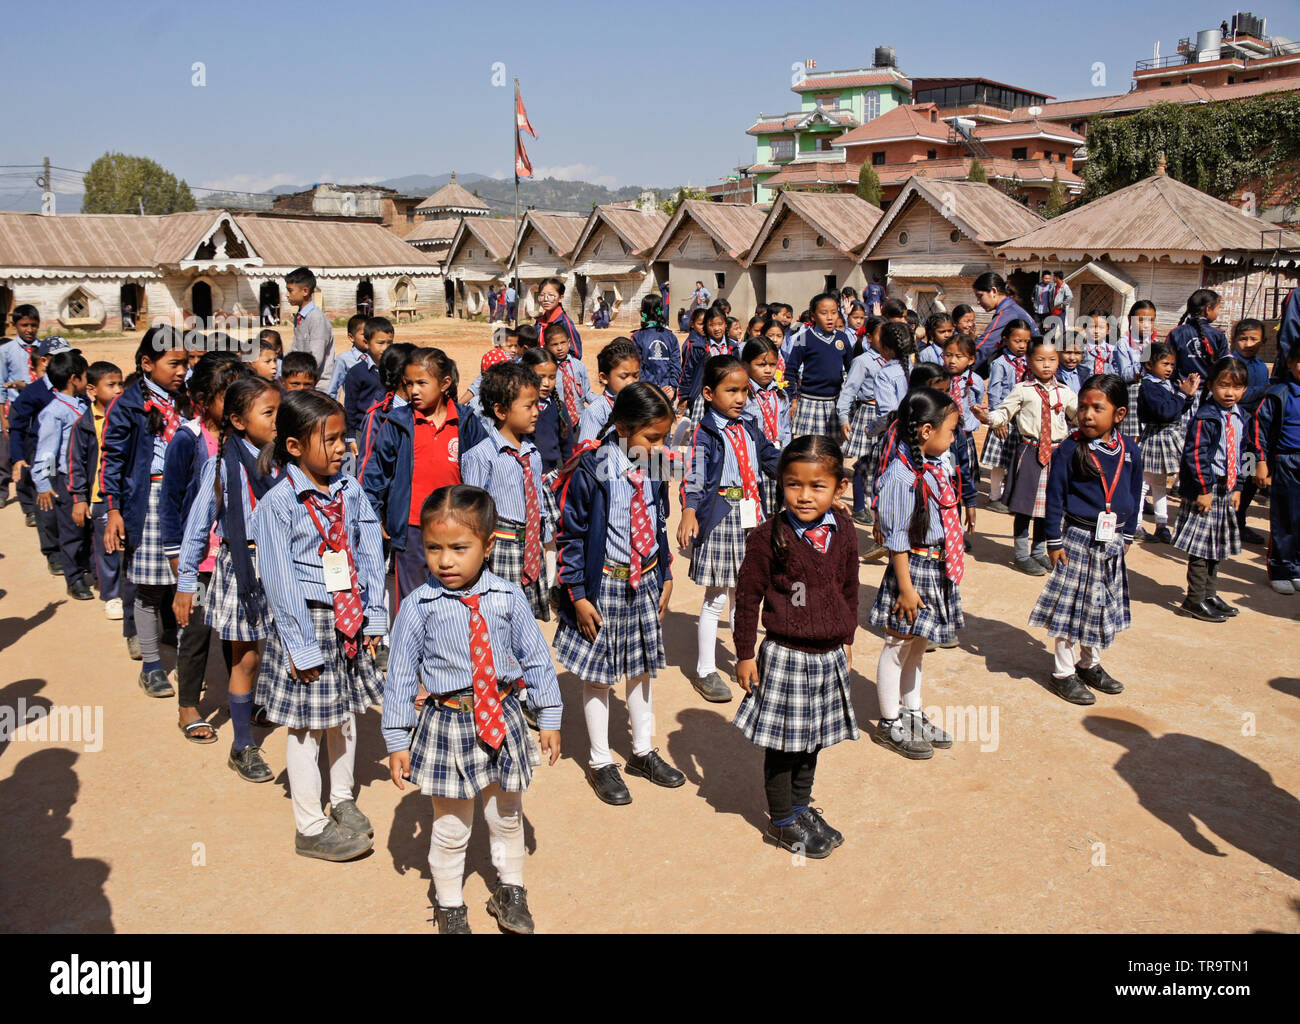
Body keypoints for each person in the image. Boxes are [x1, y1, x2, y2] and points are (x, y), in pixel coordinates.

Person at [384, 484, 563, 934]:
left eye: (459, 548)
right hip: (447, 724)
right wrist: (396, 739)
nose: (445, 561)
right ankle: (449, 905)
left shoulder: (507, 597)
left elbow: (536, 658)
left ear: (487, 546)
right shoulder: (417, 606)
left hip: (502, 719)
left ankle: (510, 890)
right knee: (450, 825)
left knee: (506, 815)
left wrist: (550, 715)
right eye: (433, 548)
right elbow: (401, 676)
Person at [251, 390, 386, 862]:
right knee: (306, 727)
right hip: (307, 624)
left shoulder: (350, 491)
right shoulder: (278, 504)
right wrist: (300, 647)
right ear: (293, 447)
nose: (340, 447)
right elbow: (280, 580)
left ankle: (343, 798)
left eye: (342, 437)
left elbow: (370, 549)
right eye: (327, 440)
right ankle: (309, 824)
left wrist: (375, 616)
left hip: (348, 621)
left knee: (345, 714)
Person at [552, 383, 680, 805]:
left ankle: (642, 751)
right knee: (599, 677)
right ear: (623, 429)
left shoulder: (656, 463)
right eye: (652, 437)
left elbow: (658, 519)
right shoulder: (590, 469)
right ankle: (600, 760)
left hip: (644, 579)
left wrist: (664, 572)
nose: (659, 446)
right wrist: (578, 594)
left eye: (663, 438)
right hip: (603, 584)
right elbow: (570, 535)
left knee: (642, 670)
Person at [732, 435, 857, 858]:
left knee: (814, 740)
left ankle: (802, 807)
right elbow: (747, 598)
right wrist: (745, 654)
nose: (804, 496)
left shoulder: (844, 532)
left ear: (839, 487)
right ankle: (782, 821)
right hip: (786, 656)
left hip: (828, 657)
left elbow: (849, 589)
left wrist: (847, 638)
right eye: (793, 484)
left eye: (817, 486)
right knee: (785, 745)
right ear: (781, 484)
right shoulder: (769, 536)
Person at [177, 375, 283, 776]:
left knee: (280, 652)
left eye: (279, 411)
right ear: (238, 421)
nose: (277, 419)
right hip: (242, 568)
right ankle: (242, 745)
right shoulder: (221, 466)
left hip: (282, 567)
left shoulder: (286, 461)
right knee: (247, 656)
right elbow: (197, 526)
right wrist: (187, 581)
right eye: (268, 412)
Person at [1030, 374, 1143, 705]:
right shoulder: (1069, 449)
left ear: (1118, 414)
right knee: (1071, 608)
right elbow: (1054, 497)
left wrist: (1128, 534)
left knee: (1099, 606)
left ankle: (1090, 664)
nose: (1088, 414)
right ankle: (1063, 673)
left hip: (1113, 541)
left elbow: (1134, 495)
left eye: (1098, 408)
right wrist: (1053, 540)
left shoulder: (1130, 450)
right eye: (1083, 407)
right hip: (1077, 539)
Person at [678, 355, 781, 704]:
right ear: (708, 393)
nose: (740, 398)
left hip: (752, 515)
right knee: (717, 597)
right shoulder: (705, 433)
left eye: (744, 391)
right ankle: (706, 670)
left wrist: (802, 470)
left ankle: (744, 660)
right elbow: (695, 475)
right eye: (731, 390)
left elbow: (770, 458)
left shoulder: (750, 426)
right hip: (721, 516)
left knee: (746, 594)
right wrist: (690, 510)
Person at [869, 387, 964, 759]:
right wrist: (906, 590)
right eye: (951, 430)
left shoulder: (938, 463)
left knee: (919, 646)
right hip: (912, 570)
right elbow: (896, 540)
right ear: (927, 431)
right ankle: (889, 721)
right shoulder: (901, 475)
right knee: (897, 645)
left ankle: (912, 711)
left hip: (935, 567)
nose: (954, 437)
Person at [162, 353, 248, 746]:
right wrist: (178, 555)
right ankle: (187, 707)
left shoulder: (249, 440)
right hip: (198, 558)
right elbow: (172, 499)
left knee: (239, 631)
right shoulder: (189, 439)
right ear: (201, 399)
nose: (235, 405)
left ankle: (242, 697)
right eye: (225, 397)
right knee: (195, 632)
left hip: (235, 557)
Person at [102, 327, 190, 697]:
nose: (182, 370)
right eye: (173, 363)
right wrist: (114, 510)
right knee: (150, 589)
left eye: (186, 363)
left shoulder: (186, 402)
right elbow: (113, 460)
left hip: (186, 497)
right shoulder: (126, 405)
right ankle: (152, 666)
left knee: (188, 584)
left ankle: (187, 661)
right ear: (146, 363)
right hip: (149, 500)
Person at [363, 348, 485, 600]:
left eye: (421, 383)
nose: (413, 391)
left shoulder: (465, 422)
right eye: (408, 384)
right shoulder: (398, 422)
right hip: (412, 529)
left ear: (444, 384)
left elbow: (484, 469)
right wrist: (375, 514)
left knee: (456, 596)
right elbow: (376, 474)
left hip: (457, 525)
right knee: (412, 599)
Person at [976, 334, 1077, 576]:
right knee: (1024, 506)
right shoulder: (1022, 389)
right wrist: (987, 418)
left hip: (1056, 454)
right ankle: (1021, 554)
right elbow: (1004, 414)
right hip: (1030, 453)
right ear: (1030, 362)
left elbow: (1077, 414)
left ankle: (1039, 551)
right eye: (1040, 359)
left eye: (1052, 359)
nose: (1046, 365)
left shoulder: (1065, 392)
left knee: (1049, 506)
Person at [461, 363, 551, 621]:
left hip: (530, 549)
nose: (536, 412)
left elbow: (537, 502)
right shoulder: (481, 456)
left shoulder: (532, 454)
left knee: (524, 620)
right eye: (528, 406)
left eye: (537, 404)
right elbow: (472, 515)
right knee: (498, 616)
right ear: (500, 411)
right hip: (500, 549)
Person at [1171, 357, 1255, 622]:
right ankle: (1194, 599)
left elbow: (1244, 454)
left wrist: (1240, 486)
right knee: (1200, 547)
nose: (1230, 392)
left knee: (1216, 546)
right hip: (1206, 489)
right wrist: (1204, 488)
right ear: (1211, 385)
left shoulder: (1241, 417)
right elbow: (1195, 455)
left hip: (1226, 490)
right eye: (1223, 385)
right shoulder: (1206, 417)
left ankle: (1210, 593)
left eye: (1237, 387)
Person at [32, 349, 92, 599]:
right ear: (74, 379)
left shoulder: (82, 403)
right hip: (66, 479)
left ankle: (89, 568)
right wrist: (43, 483)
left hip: (87, 476)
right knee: (71, 530)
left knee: (88, 528)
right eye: (85, 376)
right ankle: (74, 577)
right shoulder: (55, 411)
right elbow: (46, 451)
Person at [69, 361, 125, 619]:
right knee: (107, 547)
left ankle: (130, 590)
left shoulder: (127, 416)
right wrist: (79, 498)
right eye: (111, 385)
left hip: (124, 494)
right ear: (92, 390)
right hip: (99, 495)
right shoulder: (84, 424)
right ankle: (111, 595)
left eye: (120, 384)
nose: (118, 390)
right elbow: (76, 463)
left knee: (129, 544)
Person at [10, 336, 69, 571]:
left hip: (68, 454)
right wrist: (18, 458)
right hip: (43, 456)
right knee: (46, 504)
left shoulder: (75, 388)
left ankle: (75, 552)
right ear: (44, 362)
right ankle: (53, 553)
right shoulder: (33, 393)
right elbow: (18, 427)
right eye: (60, 358)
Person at [1136, 341, 1198, 543]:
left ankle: (1161, 524)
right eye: (1165, 364)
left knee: (1159, 483)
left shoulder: (1166, 385)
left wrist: (1186, 395)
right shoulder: (1148, 386)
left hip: (1165, 437)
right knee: (1142, 484)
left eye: (1172, 364)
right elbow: (1166, 412)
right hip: (1154, 438)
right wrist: (1182, 394)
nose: (1170, 368)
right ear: (1149, 365)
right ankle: (1135, 524)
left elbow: (1177, 409)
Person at [1251, 343, 1300, 594]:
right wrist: (1260, 463)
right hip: (1287, 461)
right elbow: (1259, 431)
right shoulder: (1278, 394)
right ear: (1290, 363)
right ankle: (1280, 568)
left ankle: (1297, 566)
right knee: (1285, 516)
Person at [978, 319, 1032, 513]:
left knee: (1016, 460)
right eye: (1017, 341)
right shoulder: (1000, 363)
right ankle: (994, 496)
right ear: (1005, 340)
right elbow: (993, 392)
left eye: (1026, 341)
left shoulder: (1029, 363)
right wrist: (997, 419)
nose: (1022, 345)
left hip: (1023, 419)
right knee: (999, 461)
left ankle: (1011, 497)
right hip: (1004, 418)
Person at [785, 292, 854, 440]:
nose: (830, 317)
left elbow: (852, 370)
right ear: (813, 316)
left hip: (834, 402)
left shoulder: (842, 338)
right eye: (824, 313)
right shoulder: (802, 338)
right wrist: (793, 399)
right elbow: (790, 370)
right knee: (810, 446)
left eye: (834, 313)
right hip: (809, 402)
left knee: (833, 447)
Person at [1228, 319, 1270, 544]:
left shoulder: (1261, 366)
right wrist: (1264, 390)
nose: (1248, 343)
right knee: (1234, 475)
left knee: (1250, 475)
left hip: (1254, 432)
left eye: (1254, 339)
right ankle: (1227, 522)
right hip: (1235, 429)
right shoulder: (1231, 364)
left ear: (1262, 341)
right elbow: (1237, 395)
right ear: (1234, 340)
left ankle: (1239, 521)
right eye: (1243, 338)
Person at [942, 333, 984, 551]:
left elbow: (976, 405)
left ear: (971, 359)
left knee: (959, 484)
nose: (952, 360)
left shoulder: (975, 381)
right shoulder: (940, 379)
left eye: (959, 356)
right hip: (940, 440)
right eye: (948, 355)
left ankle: (955, 531)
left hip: (963, 439)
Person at [740, 337, 790, 518]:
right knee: (754, 513)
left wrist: (786, 456)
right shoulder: (742, 394)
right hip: (753, 463)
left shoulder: (780, 394)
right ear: (745, 365)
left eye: (772, 364)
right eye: (761, 364)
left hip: (777, 461)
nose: (768, 370)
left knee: (777, 513)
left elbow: (785, 428)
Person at [0, 307, 36, 509]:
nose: (29, 329)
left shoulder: (42, 349)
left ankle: (33, 501)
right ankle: (8, 493)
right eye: (24, 325)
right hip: (16, 408)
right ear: (15, 326)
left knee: (35, 453)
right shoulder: (6, 351)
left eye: (33, 325)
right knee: (13, 453)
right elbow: (1, 384)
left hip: (39, 409)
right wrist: (3, 419)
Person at [577, 339, 640, 443]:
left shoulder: (643, 404)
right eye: (624, 376)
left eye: (635, 376)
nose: (631, 382)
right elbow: (586, 454)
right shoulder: (596, 412)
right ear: (604, 378)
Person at [681, 305, 736, 424]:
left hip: (727, 396)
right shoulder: (698, 347)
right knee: (700, 430)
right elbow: (688, 371)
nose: (716, 328)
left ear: (726, 325)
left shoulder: (733, 348)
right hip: (703, 396)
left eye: (720, 324)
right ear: (706, 326)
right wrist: (684, 396)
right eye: (712, 325)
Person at [972, 273, 1037, 373]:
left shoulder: (1007, 313)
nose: (978, 302)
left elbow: (984, 346)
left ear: (993, 291)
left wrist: (963, 362)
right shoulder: (1012, 308)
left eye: (980, 296)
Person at [285, 266, 335, 391]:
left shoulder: (316, 318)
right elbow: (295, 349)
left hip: (318, 386)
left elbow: (316, 359)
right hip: (303, 382)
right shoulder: (300, 317)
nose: (287, 295)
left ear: (305, 291)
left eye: (290, 291)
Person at [343, 316, 394, 439]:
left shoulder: (395, 370)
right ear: (366, 343)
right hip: (363, 431)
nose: (385, 348)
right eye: (380, 343)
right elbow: (350, 407)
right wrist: (350, 437)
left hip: (389, 430)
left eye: (390, 343)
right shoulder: (356, 372)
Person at [1169, 289, 1227, 388]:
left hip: (1180, 390)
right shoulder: (1218, 335)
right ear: (1208, 309)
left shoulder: (1176, 333)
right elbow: (1225, 366)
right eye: (1218, 308)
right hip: (1208, 392)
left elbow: (1169, 364)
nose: (1218, 312)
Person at [546, 320, 596, 430]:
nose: (560, 348)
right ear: (547, 347)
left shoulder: (579, 366)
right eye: (554, 344)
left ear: (569, 342)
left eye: (563, 343)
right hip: (555, 423)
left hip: (580, 421)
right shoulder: (547, 369)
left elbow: (586, 392)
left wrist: (602, 402)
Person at [630, 294, 680, 403]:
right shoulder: (671, 337)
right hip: (666, 394)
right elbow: (676, 366)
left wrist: (653, 389)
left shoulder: (637, 337)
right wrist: (672, 388)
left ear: (642, 312)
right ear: (661, 310)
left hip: (646, 395)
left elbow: (636, 369)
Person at [323, 314, 369, 403]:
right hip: (354, 410)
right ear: (351, 337)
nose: (368, 337)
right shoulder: (343, 359)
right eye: (364, 334)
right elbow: (333, 388)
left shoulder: (376, 357)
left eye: (371, 333)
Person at [534, 276, 582, 358]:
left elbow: (576, 353)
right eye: (542, 295)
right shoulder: (539, 323)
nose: (546, 299)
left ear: (560, 298)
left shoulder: (564, 322)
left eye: (551, 295)